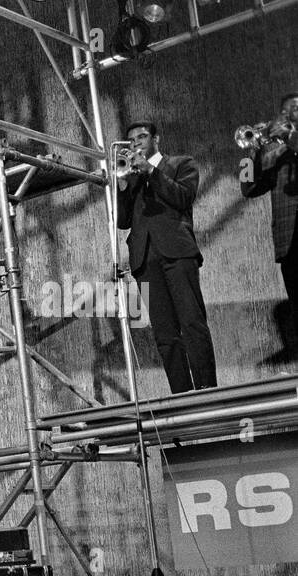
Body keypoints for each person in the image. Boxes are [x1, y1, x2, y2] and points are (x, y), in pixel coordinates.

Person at [116, 121, 217, 393]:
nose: (136, 143)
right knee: (164, 334)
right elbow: (123, 222)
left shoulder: (182, 164)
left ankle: (207, 389)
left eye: (142, 137)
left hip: (177, 251)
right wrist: (124, 186)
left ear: (156, 139)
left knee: (192, 322)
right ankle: (181, 394)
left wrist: (151, 171)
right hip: (144, 258)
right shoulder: (132, 176)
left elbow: (183, 198)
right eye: (131, 140)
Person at [241, 92, 298, 365]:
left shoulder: (289, 143)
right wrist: (250, 154)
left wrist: (289, 139)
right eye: (285, 113)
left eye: (295, 111)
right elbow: (248, 187)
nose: (288, 117)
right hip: (289, 240)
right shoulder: (274, 152)